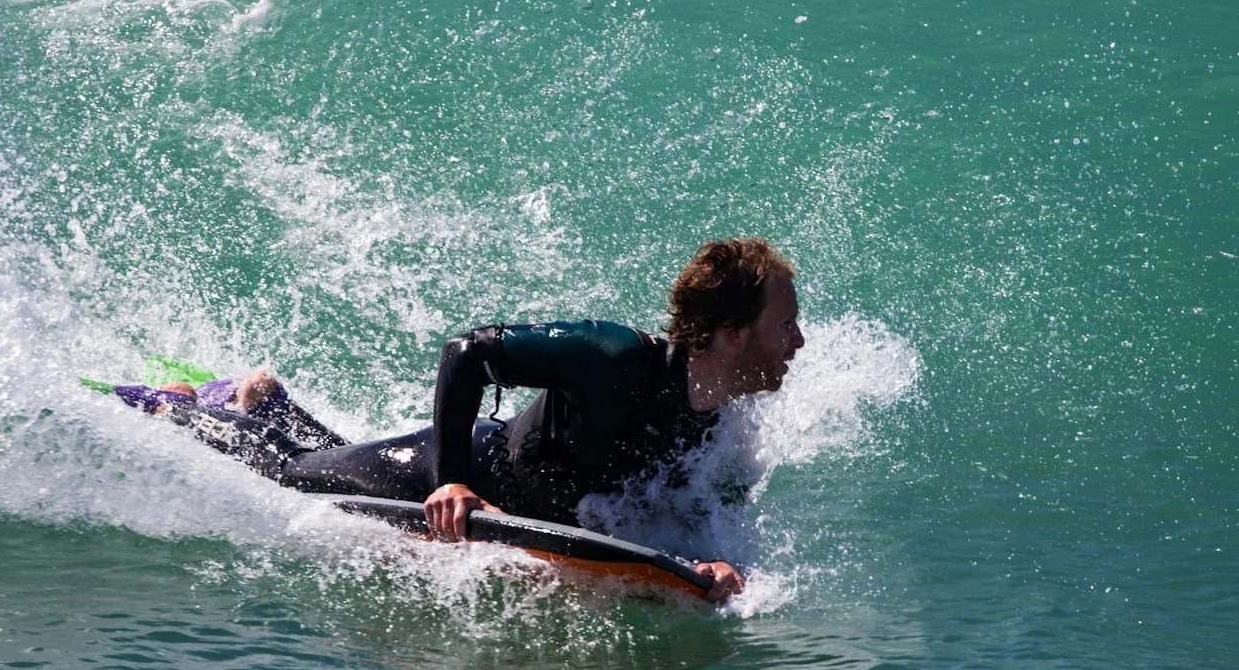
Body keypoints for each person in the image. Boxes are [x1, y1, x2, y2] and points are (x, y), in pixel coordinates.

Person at [118, 238, 804, 602]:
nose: (798, 342)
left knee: (338, 460)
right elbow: (467, 351)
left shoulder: (727, 421)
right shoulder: (614, 357)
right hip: (467, 468)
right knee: (292, 475)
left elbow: (706, 513)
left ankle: (269, 402)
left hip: (514, 500)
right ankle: (180, 408)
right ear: (734, 334)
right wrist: (451, 482)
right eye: (785, 324)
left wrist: (716, 563)